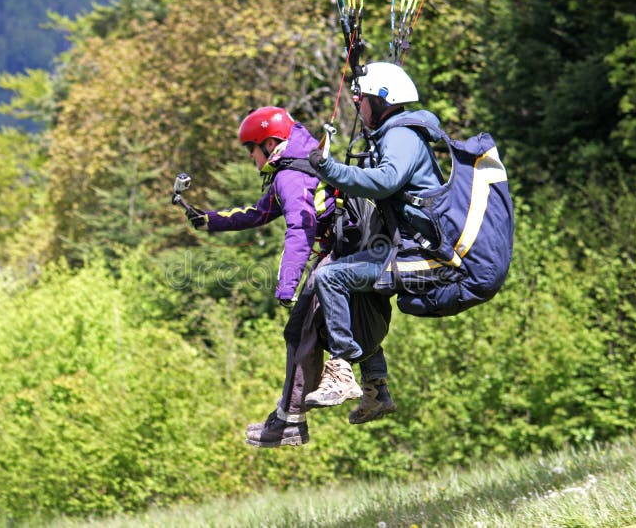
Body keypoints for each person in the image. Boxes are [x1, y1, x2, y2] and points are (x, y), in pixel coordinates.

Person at [177, 106, 392, 448]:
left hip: (343, 253)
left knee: (299, 330)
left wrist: (287, 285)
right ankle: (377, 389)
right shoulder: (301, 162)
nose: (250, 157)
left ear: (270, 143)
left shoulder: (290, 176)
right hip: (364, 249)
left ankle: (290, 421)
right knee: (351, 318)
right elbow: (259, 212)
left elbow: (300, 230)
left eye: (251, 149)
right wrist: (209, 220)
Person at [305, 62, 445, 408]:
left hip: (424, 253)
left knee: (330, 277)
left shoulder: (401, 135)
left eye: (363, 98)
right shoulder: (391, 136)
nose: (357, 103)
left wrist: (330, 168)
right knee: (354, 282)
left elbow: (384, 181)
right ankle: (376, 389)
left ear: (382, 100)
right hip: (406, 248)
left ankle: (341, 371)